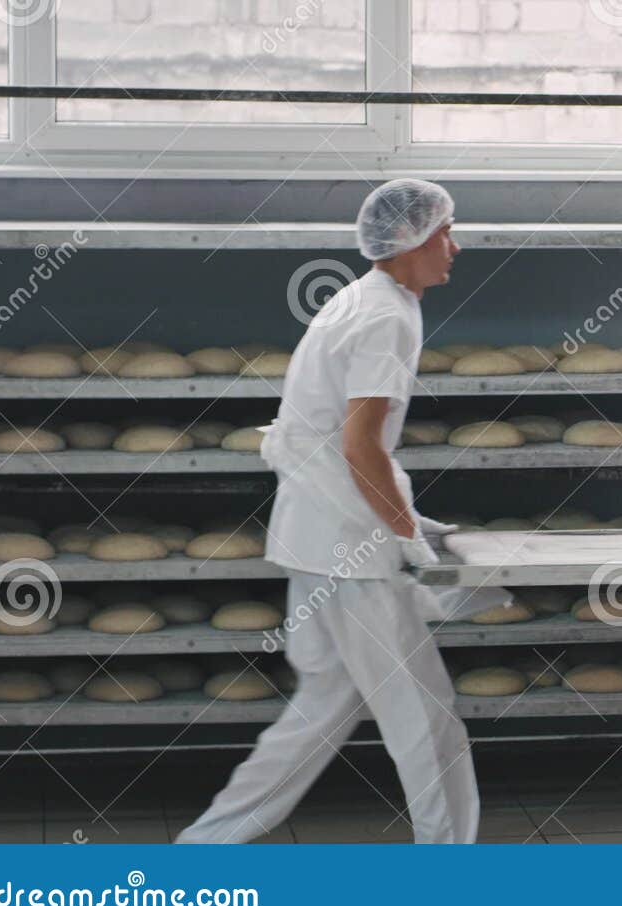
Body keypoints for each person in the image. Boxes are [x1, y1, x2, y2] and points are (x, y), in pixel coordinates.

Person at [179, 179, 509, 844]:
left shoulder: (364, 298)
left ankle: (203, 849)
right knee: (424, 718)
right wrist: (403, 533)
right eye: (445, 233)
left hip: (317, 537)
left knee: (317, 715)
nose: (456, 247)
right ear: (410, 241)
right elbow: (360, 446)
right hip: (350, 553)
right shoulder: (386, 317)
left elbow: (330, 437)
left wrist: (409, 517)